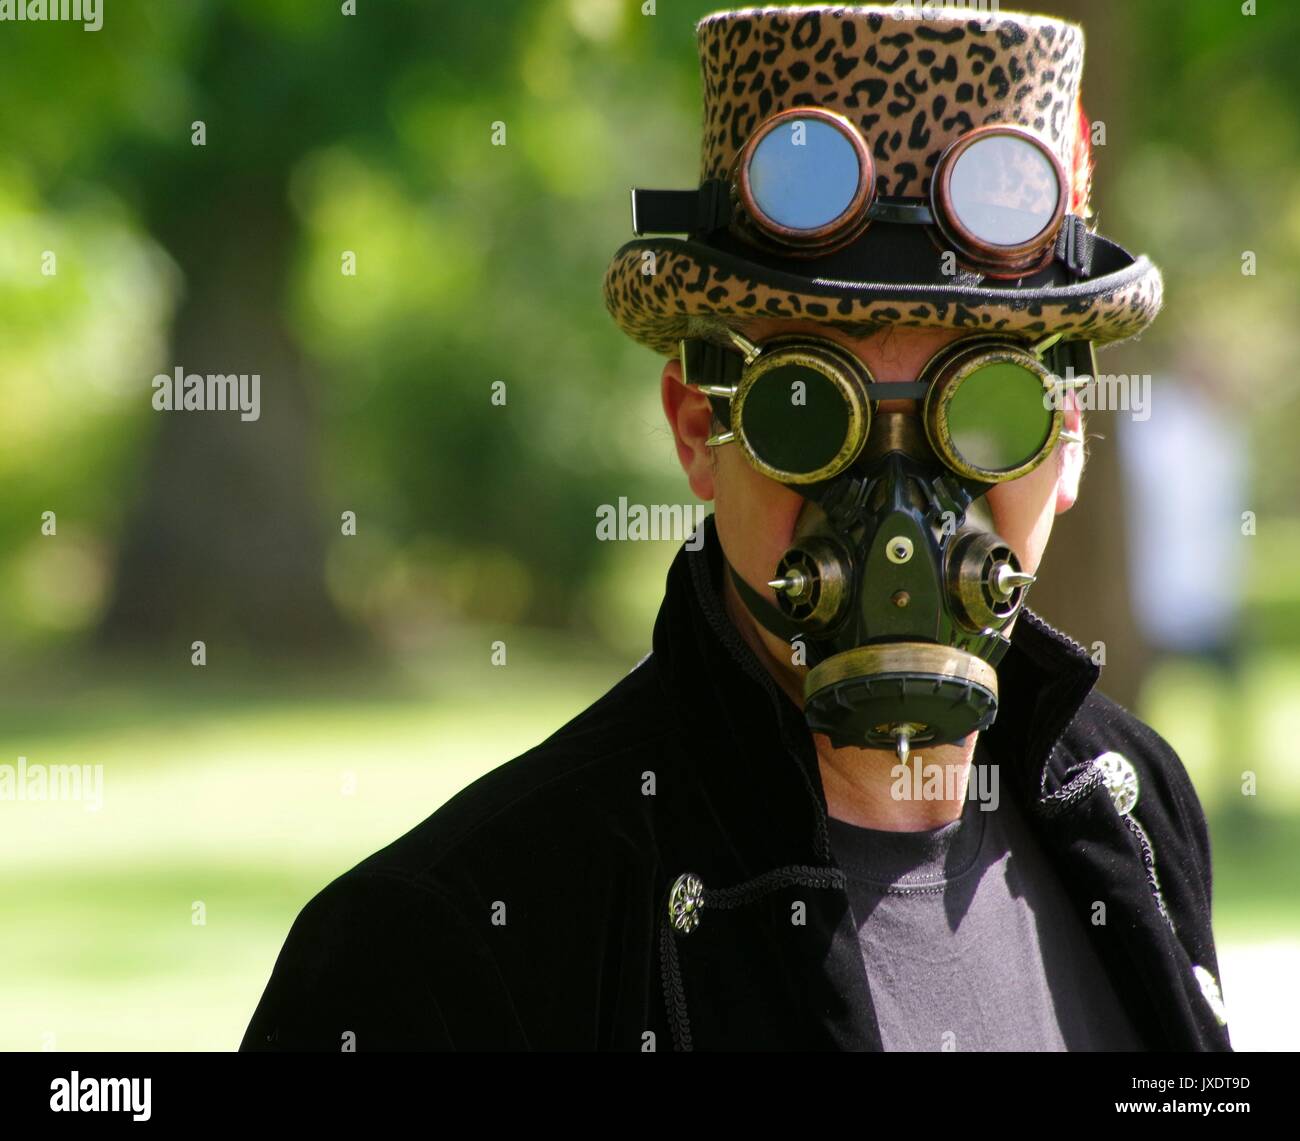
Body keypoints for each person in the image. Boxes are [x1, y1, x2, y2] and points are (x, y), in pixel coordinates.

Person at [240, 3, 1231, 1052]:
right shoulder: (449, 949)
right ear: (696, 426)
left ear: (1070, 434)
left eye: (983, 409)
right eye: (809, 407)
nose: (898, 498)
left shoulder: (1128, 806)